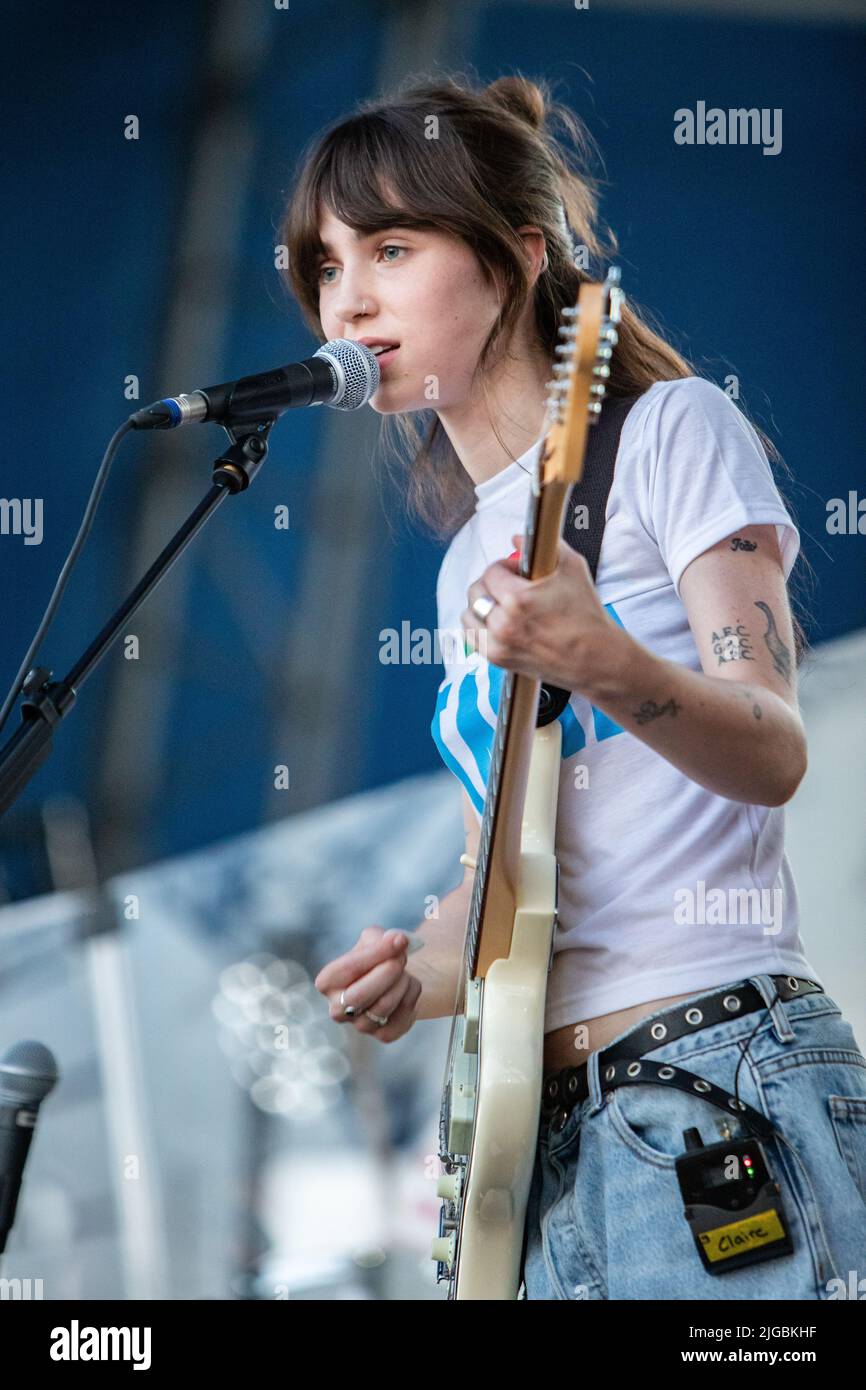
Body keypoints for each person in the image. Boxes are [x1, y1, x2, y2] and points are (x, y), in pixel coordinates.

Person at [283, 71, 866, 1299]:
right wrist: (419, 969)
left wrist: (601, 657)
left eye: (390, 246)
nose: (350, 297)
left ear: (514, 258)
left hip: (714, 1072)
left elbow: (769, 745)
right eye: (324, 266)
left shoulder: (667, 433)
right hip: (537, 1143)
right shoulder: (460, 573)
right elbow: (504, 877)